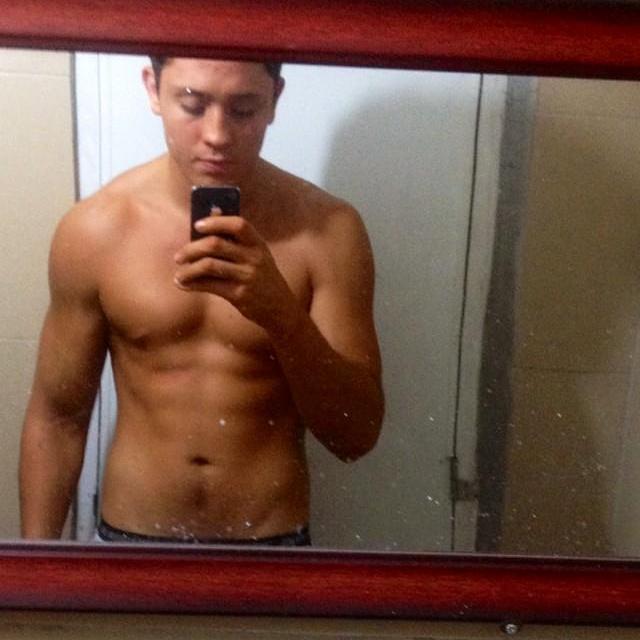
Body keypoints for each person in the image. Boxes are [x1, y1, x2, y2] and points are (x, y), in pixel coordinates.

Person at [19, 56, 384, 545]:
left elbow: (355, 437)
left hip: (270, 542)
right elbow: (58, 417)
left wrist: (280, 312)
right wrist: (37, 570)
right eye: (193, 105)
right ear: (153, 90)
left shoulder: (328, 233)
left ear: (275, 99)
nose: (217, 135)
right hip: (132, 538)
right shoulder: (96, 230)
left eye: (243, 110)